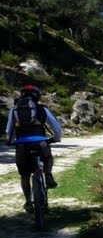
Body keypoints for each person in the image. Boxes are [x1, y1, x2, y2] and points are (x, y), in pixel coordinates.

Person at [5, 84, 62, 212]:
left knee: (24, 175)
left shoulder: (14, 110)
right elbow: (56, 128)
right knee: (47, 158)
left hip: (22, 145)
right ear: (37, 96)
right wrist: (56, 138)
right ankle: (48, 175)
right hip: (40, 143)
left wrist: (10, 141)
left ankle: (28, 203)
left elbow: (9, 130)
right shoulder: (42, 109)